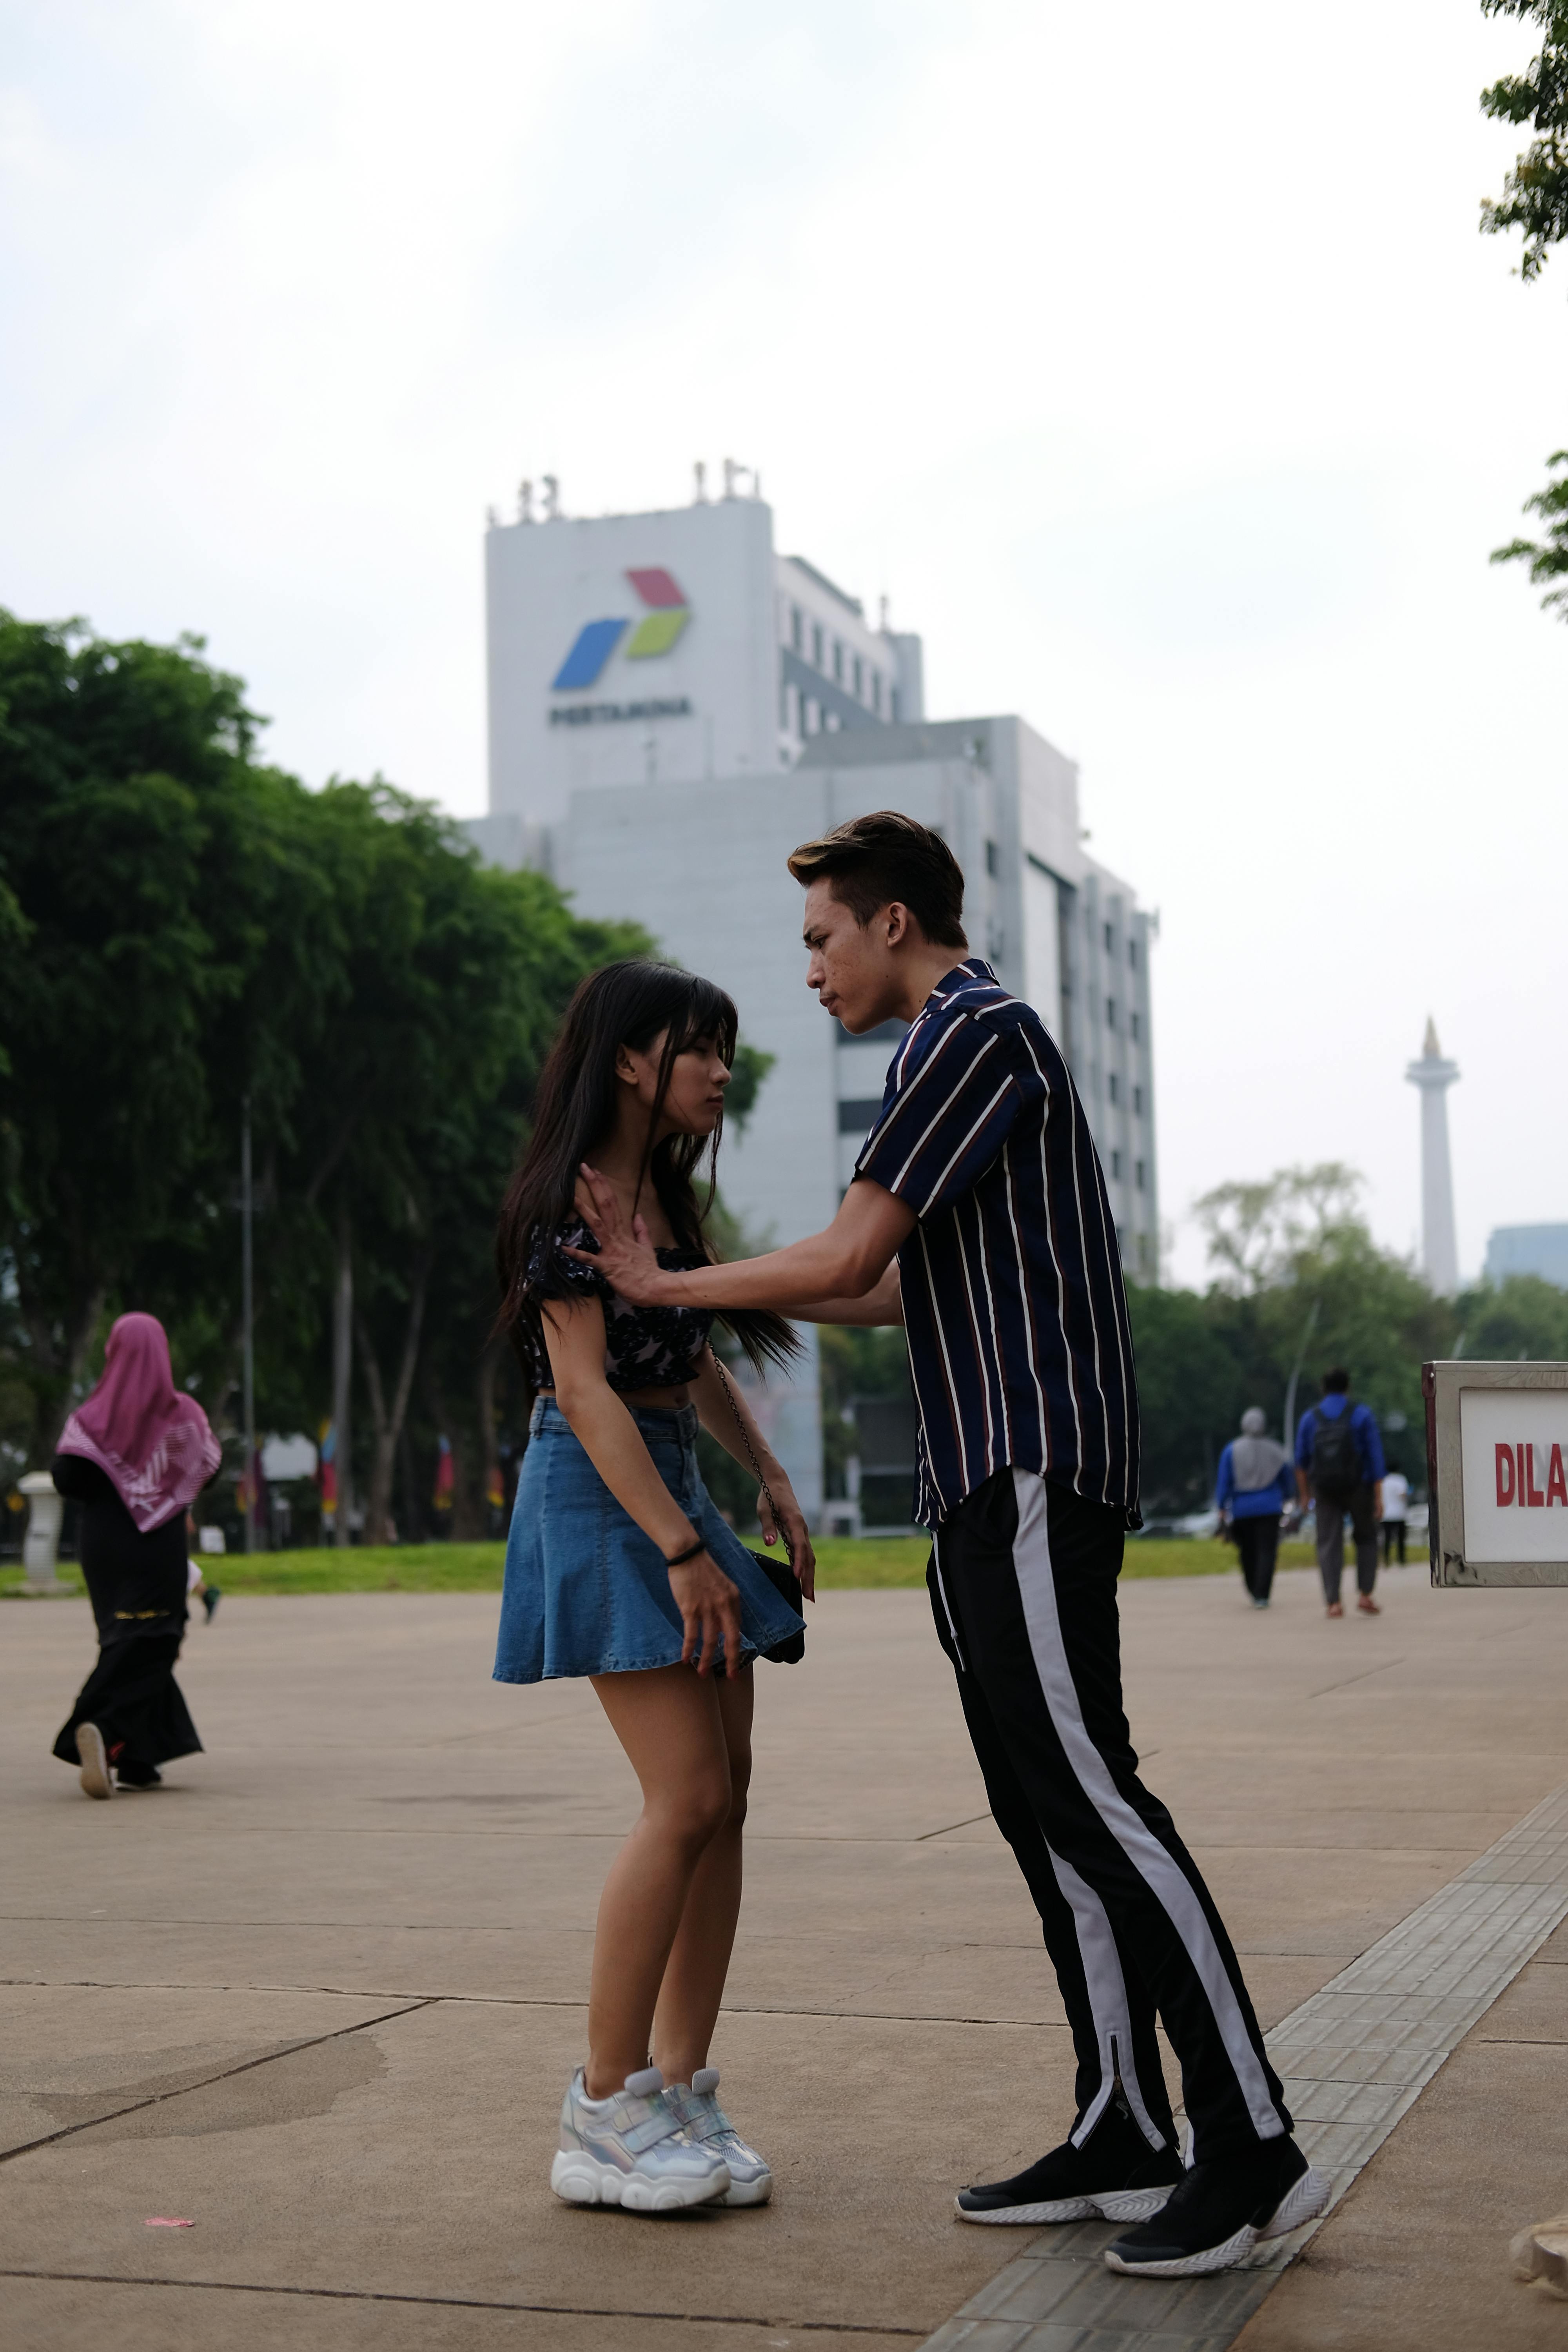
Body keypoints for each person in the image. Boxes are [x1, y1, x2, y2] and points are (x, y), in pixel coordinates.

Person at [571, 813, 1328, 2279]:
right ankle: (1122, 2120)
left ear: (893, 922)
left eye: (820, 938)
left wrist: (665, 1281)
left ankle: (1249, 2142)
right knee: (1046, 1810)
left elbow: (852, 1252)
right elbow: (888, 1286)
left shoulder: (973, 1034)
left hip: (1028, 1467)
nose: (809, 970)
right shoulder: (948, 1051)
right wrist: (695, 1285)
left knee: (1095, 1799)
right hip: (982, 1480)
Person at [494, 961, 827, 2216]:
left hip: (671, 1474)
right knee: (681, 1797)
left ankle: (676, 2088)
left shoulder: (665, 1200)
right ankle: (602, 2104)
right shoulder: (565, 1200)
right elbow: (586, 1394)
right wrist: (685, 1553)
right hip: (598, 1491)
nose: (721, 1071)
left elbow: (689, 1360)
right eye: (701, 1048)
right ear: (631, 1061)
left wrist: (768, 1476)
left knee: (725, 1801)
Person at [51, 1313, 221, 1799]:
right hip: (158, 1545)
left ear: (114, 1353)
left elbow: (66, 1478)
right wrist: (161, 1484)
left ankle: (139, 1757)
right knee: (157, 1639)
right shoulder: (184, 1415)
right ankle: (98, 1728)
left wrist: (115, 1482)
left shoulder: (92, 1417)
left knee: (125, 1639)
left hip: (105, 1547)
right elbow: (208, 1469)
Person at [1294, 1370, 1386, 1619]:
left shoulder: (1310, 1418)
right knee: (1366, 1538)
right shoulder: (1362, 1414)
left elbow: (1300, 1462)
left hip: (1324, 1489)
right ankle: (1365, 1594)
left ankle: (1333, 1602)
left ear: (1323, 1388)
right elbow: (1376, 1459)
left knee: (1328, 1543)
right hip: (1359, 1487)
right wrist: (1378, 1498)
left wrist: (1305, 1495)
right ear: (1348, 1387)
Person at [1215, 1409, 1293, 1608]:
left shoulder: (1232, 1450)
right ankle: (1263, 1594)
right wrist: (1287, 1497)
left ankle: (1252, 1588)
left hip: (1242, 1509)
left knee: (1247, 1551)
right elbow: (1287, 1480)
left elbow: (1224, 1481)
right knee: (1267, 1551)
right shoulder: (1276, 1450)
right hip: (1270, 1508)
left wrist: (1222, 1506)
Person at [1380, 1466, 1410, 1566]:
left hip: (1386, 1514)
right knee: (1401, 1539)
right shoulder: (1400, 1479)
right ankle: (1401, 1559)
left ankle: (1386, 1559)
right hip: (1399, 1513)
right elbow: (1403, 1495)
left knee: (1387, 1538)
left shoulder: (1384, 1480)